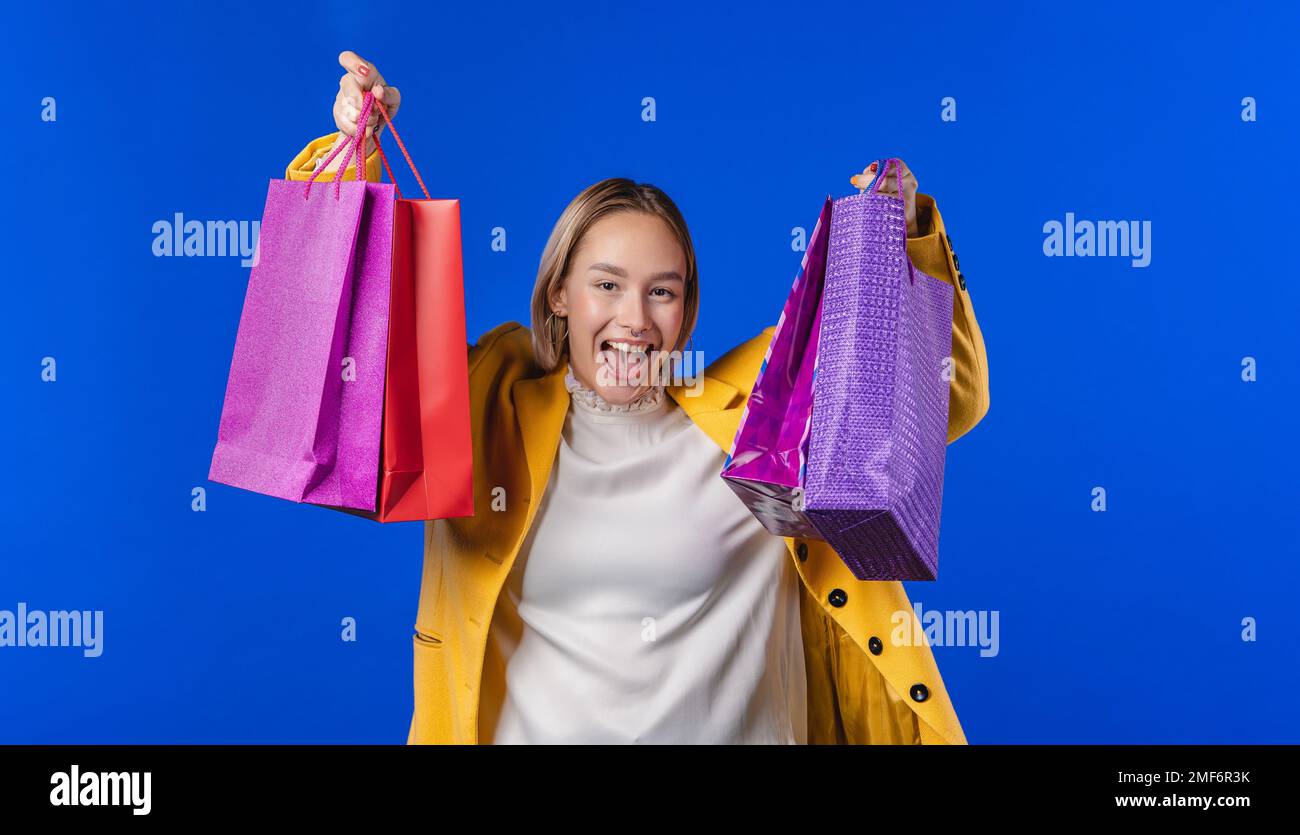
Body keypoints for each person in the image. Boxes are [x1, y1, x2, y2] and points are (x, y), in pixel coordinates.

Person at [285, 51, 991, 744]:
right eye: (607, 284)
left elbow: (940, 398)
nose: (634, 318)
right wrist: (355, 162)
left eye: (662, 290)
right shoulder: (486, 409)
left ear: (686, 307)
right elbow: (357, 396)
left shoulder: (760, 418)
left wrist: (899, 245)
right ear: (560, 294)